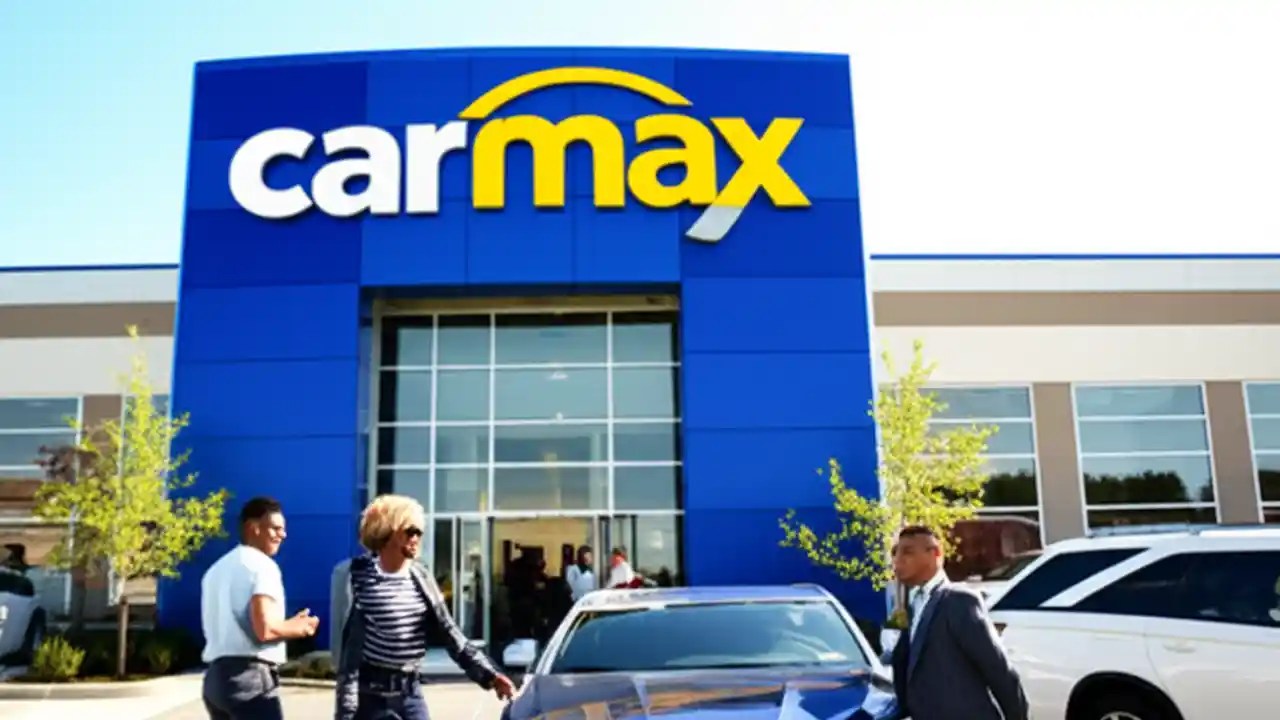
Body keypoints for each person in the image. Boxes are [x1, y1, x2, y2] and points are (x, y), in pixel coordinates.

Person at [335, 494, 515, 720]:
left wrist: (490, 676)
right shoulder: (357, 577)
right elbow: (348, 657)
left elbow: (451, 634)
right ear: (387, 531)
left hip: (410, 693)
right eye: (410, 531)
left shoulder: (421, 577)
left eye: (420, 532)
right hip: (371, 695)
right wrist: (346, 712)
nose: (417, 538)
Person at [881, 525, 1028, 720]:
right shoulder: (911, 607)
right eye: (895, 553)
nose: (897, 560)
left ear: (935, 554)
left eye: (907, 552)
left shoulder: (959, 601)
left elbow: (998, 670)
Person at [200, 497, 318, 720]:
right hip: (249, 678)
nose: (282, 535)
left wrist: (287, 624)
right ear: (253, 528)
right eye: (275, 528)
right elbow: (264, 630)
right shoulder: (262, 566)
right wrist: (299, 627)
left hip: (215, 680)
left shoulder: (216, 570)